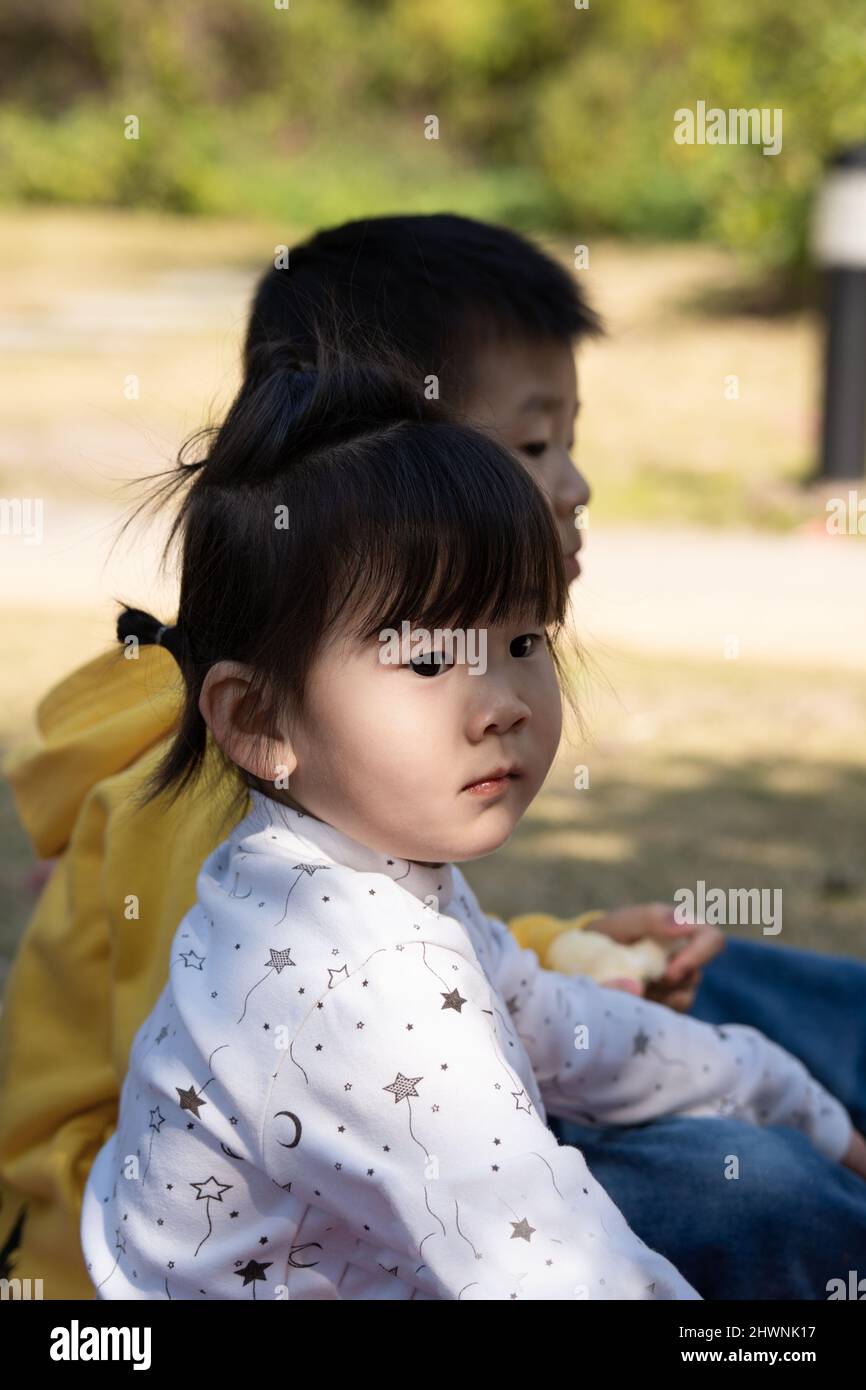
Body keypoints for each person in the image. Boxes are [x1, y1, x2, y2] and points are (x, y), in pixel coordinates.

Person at [3, 214, 866, 1300]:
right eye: (527, 444)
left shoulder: (338, 841)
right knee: (750, 1190)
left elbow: (504, 993)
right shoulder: (297, 910)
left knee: (728, 1010)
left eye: (523, 643)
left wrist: (787, 1094)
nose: (499, 702)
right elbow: (554, 1267)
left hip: (387, 1155)